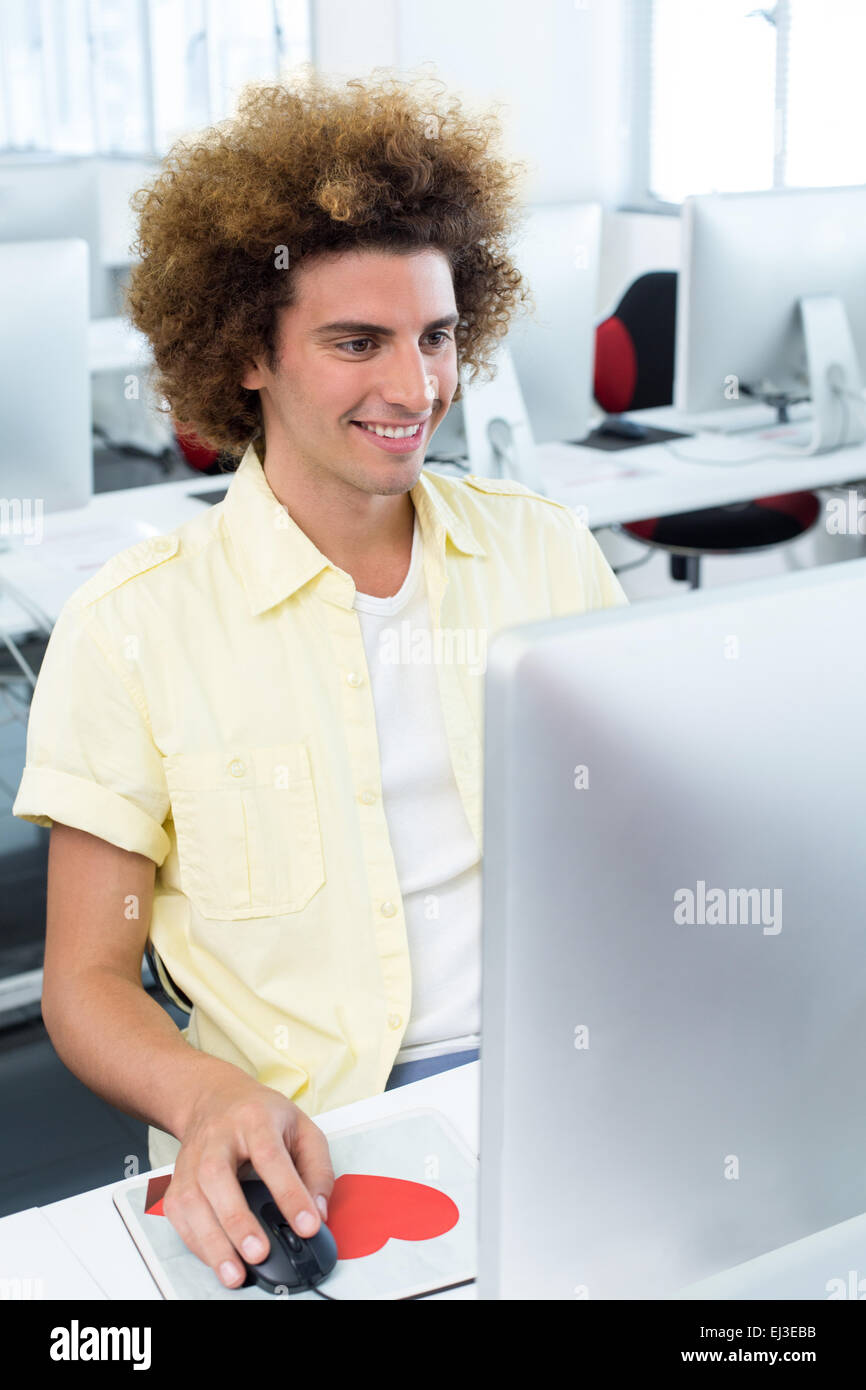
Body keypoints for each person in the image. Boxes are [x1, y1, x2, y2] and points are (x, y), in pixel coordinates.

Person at [12, 67, 627, 1291]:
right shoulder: (133, 626)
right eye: (357, 343)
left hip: (559, 1086)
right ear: (249, 354)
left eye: (438, 336)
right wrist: (202, 1096)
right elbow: (85, 977)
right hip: (305, 1145)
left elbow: (635, 837)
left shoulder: (544, 552)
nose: (416, 389)